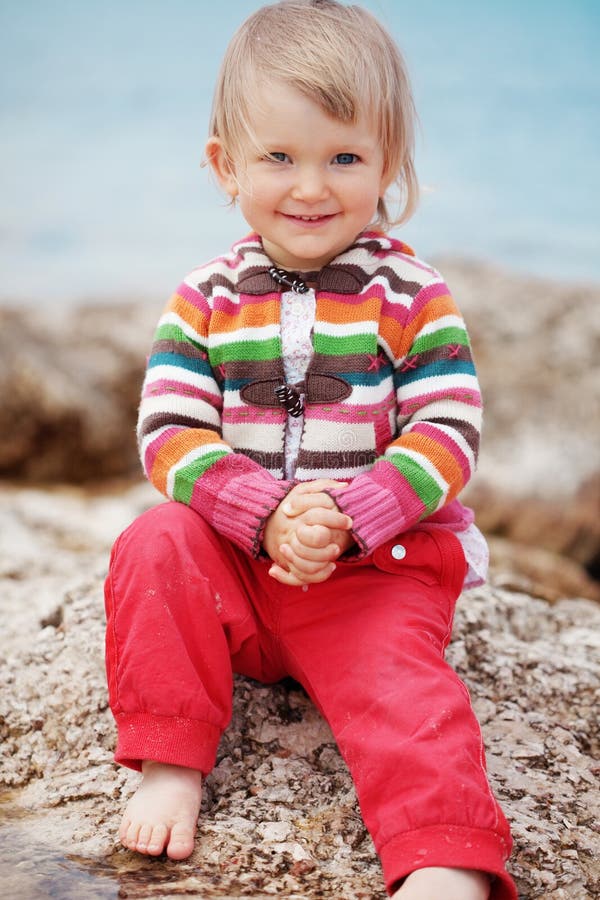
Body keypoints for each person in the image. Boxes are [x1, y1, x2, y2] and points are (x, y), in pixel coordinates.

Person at [103, 2, 518, 897]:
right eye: (279, 157)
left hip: (372, 577)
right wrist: (258, 511)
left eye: (344, 158)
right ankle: (171, 759)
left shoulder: (412, 292)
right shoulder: (206, 296)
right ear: (226, 165)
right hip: (241, 584)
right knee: (154, 543)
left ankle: (446, 855)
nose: (310, 187)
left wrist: (356, 511)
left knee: (408, 695)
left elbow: (449, 428)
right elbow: (169, 433)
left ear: (389, 164)